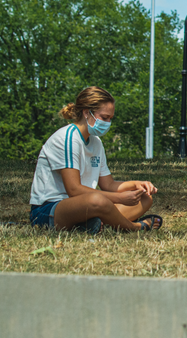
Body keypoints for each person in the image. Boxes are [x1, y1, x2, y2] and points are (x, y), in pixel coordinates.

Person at [29, 86, 162, 234]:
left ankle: (95, 224)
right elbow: (74, 190)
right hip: (49, 210)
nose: (108, 123)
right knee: (97, 200)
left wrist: (137, 184)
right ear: (87, 113)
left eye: (110, 118)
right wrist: (119, 198)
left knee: (145, 198)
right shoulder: (67, 138)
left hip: (87, 204)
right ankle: (134, 227)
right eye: (105, 118)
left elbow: (108, 184)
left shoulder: (96, 142)